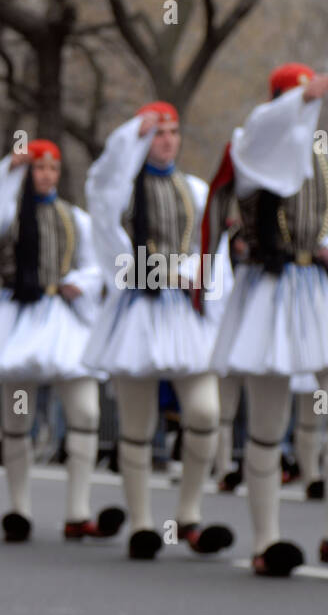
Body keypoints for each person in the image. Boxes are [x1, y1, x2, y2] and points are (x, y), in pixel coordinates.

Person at [204, 64, 328, 574]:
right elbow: (264, 133)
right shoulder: (251, 151)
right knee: (267, 419)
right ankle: (267, 541)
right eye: (292, 100)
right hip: (269, 288)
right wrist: (296, 102)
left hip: (319, 286)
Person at [82, 102, 235, 560]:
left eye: (172, 132)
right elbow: (100, 192)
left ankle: (188, 514)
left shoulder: (195, 189)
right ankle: (143, 523)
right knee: (137, 425)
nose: (167, 140)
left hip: (184, 312)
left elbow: (212, 249)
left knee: (205, 412)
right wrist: (130, 134)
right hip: (139, 309)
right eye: (158, 133)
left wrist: (198, 278)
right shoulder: (123, 190)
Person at [0, 140, 124, 544]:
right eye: (39, 168)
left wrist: (79, 283)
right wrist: (8, 167)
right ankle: (19, 508)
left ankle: (78, 511)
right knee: (17, 417)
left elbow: (96, 265)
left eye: (53, 168)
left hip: (64, 322)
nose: (47, 175)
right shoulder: (7, 214)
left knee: (85, 413)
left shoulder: (75, 218)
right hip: (18, 323)